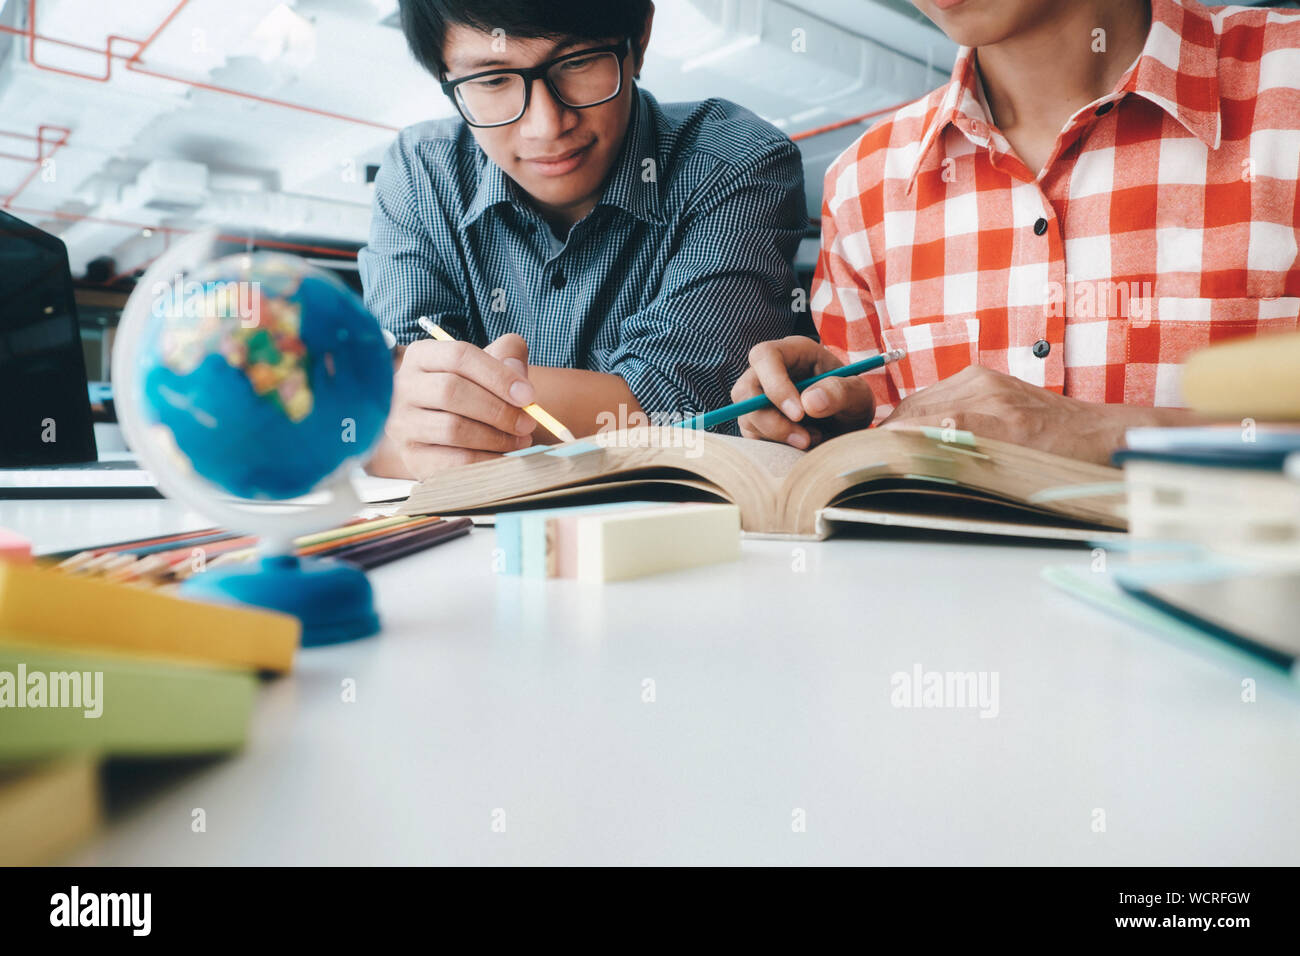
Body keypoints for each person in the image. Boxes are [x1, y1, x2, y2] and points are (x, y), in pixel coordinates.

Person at [732, 0, 1299, 465]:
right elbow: (882, 472)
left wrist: (1107, 433)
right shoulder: (866, 182)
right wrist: (835, 425)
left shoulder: (1287, 85)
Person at [362, 0, 807, 477]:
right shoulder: (420, 172)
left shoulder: (734, 162)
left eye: (577, 62)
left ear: (639, 38)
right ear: (443, 74)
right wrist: (402, 413)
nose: (546, 126)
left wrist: (432, 413)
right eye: (492, 80)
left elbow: (680, 412)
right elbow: (381, 407)